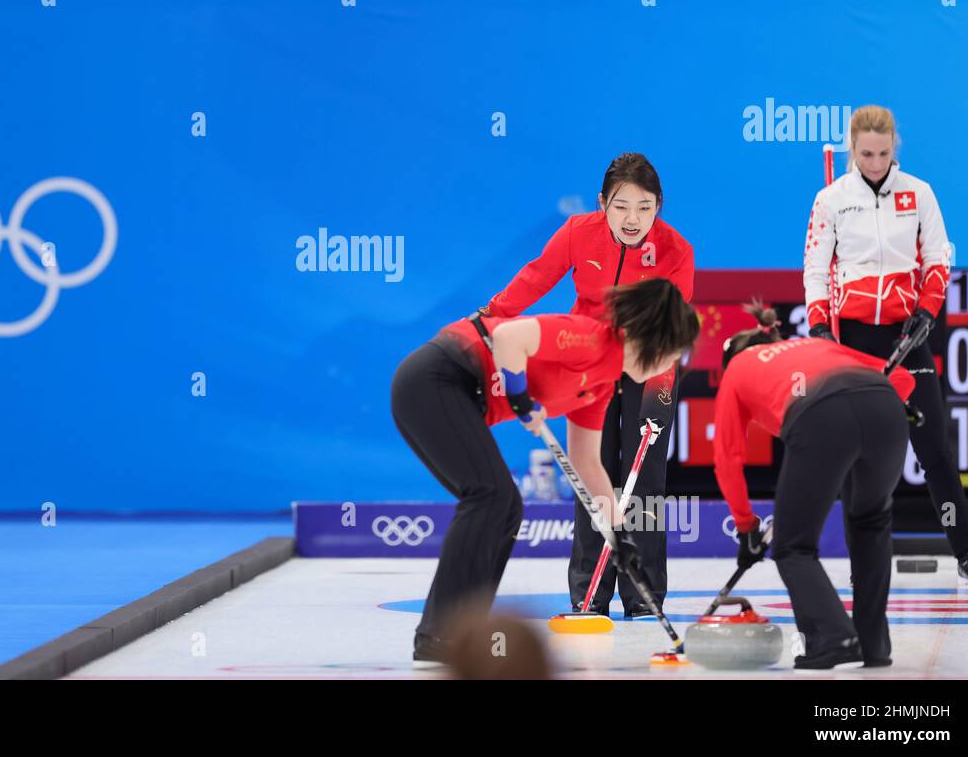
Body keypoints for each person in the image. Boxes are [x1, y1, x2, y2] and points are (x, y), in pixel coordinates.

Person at [391, 278, 701, 664]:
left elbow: (588, 462)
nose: (673, 364)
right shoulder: (591, 338)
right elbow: (508, 336)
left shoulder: (602, 385)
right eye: (674, 353)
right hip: (437, 379)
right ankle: (439, 636)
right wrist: (519, 398)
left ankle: (464, 630)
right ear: (656, 341)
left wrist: (619, 533)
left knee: (506, 509)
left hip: (456, 396)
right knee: (491, 497)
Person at [480, 153, 694, 618]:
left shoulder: (677, 251)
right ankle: (589, 593)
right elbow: (537, 276)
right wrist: (494, 313)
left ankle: (644, 594)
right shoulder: (579, 232)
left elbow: (670, 331)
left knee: (645, 482)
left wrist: (657, 396)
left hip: (646, 366)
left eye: (644, 206)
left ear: (659, 206)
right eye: (620, 206)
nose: (632, 219)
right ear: (602, 204)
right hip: (589, 361)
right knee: (591, 473)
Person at [803, 105, 968, 581]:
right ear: (852, 148)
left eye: (884, 153)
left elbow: (938, 257)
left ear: (894, 147)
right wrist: (820, 325)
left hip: (907, 331)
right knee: (856, 450)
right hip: (853, 335)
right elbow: (816, 269)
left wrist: (928, 311)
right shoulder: (831, 199)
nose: (875, 162)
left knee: (934, 449)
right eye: (866, 153)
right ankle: (863, 556)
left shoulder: (919, 193)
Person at [716, 304, 915, 669]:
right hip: (886, 409)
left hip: (821, 415)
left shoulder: (737, 371)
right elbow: (903, 377)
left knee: (793, 547)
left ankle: (834, 637)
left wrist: (746, 526)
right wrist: (881, 408)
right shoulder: (815, 345)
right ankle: (874, 645)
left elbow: (727, 456)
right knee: (870, 523)